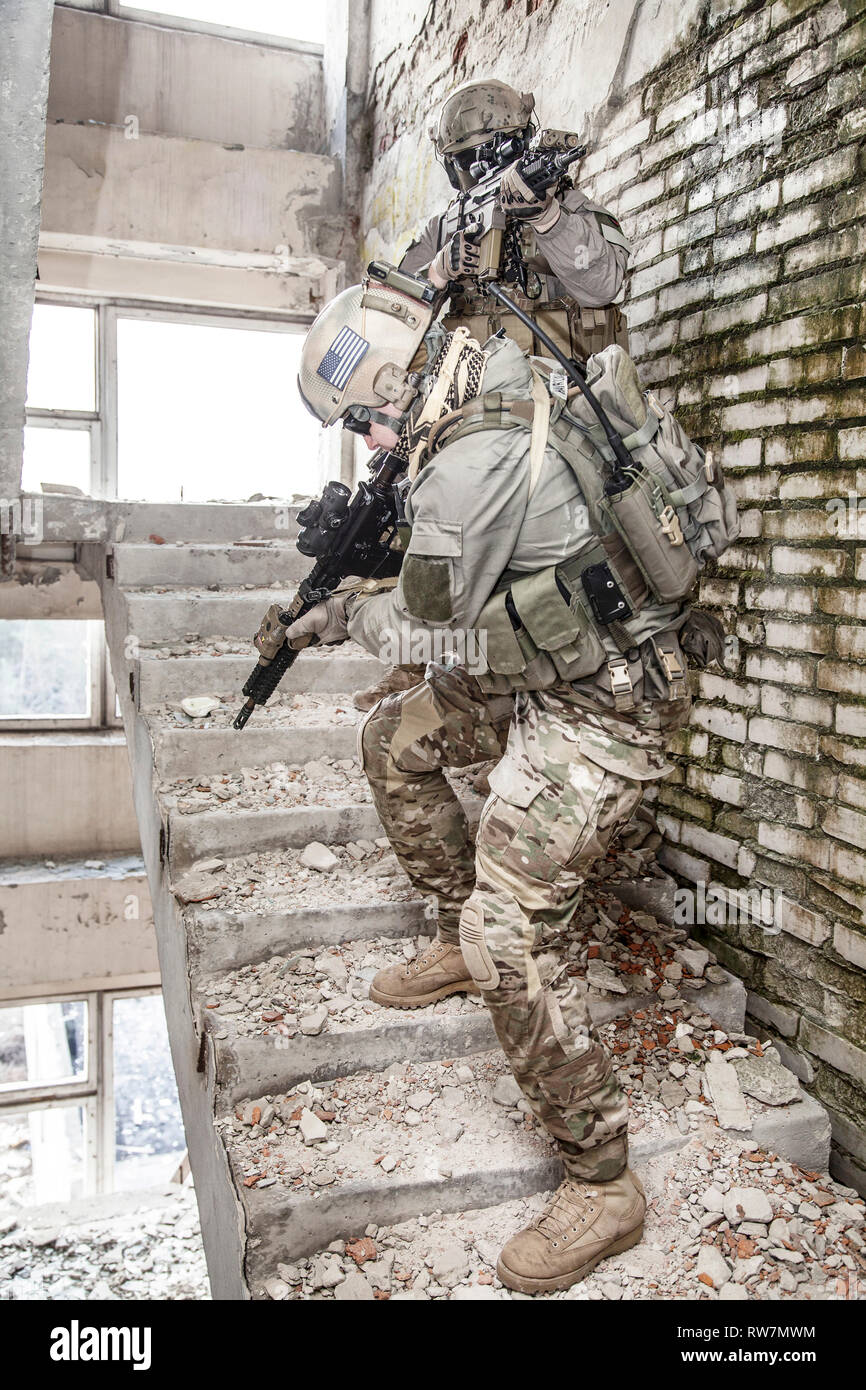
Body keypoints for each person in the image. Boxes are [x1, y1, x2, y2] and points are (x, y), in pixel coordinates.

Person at [284, 267, 711, 1294]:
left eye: (366, 423)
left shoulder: (460, 465)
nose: (373, 445)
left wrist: (349, 607)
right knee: (394, 741)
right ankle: (451, 936)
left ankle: (600, 1176)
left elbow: (428, 629)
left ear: (395, 387)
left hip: (604, 701)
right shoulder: (504, 363)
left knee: (508, 928)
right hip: (551, 653)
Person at [353, 76, 631, 714]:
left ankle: (547, 694)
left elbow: (603, 284)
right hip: (471, 419)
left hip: (562, 422)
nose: (482, 167)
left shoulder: (564, 208)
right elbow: (391, 314)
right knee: (423, 520)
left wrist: (549, 215)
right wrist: (440, 271)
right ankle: (421, 669)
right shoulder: (443, 227)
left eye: (496, 150)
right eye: (469, 158)